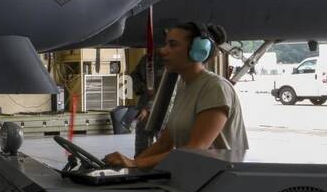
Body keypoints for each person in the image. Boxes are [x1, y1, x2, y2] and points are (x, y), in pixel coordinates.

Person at [103, 22, 247, 170]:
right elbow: (164, 144)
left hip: (221, 181)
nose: (163, 51)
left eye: (172, 45)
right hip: (195, 178)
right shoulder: (184, 86)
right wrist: (129, 167)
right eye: (165, 44)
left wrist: (135, 163)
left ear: (197, 50)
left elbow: (196, 148)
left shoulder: (215, 88)